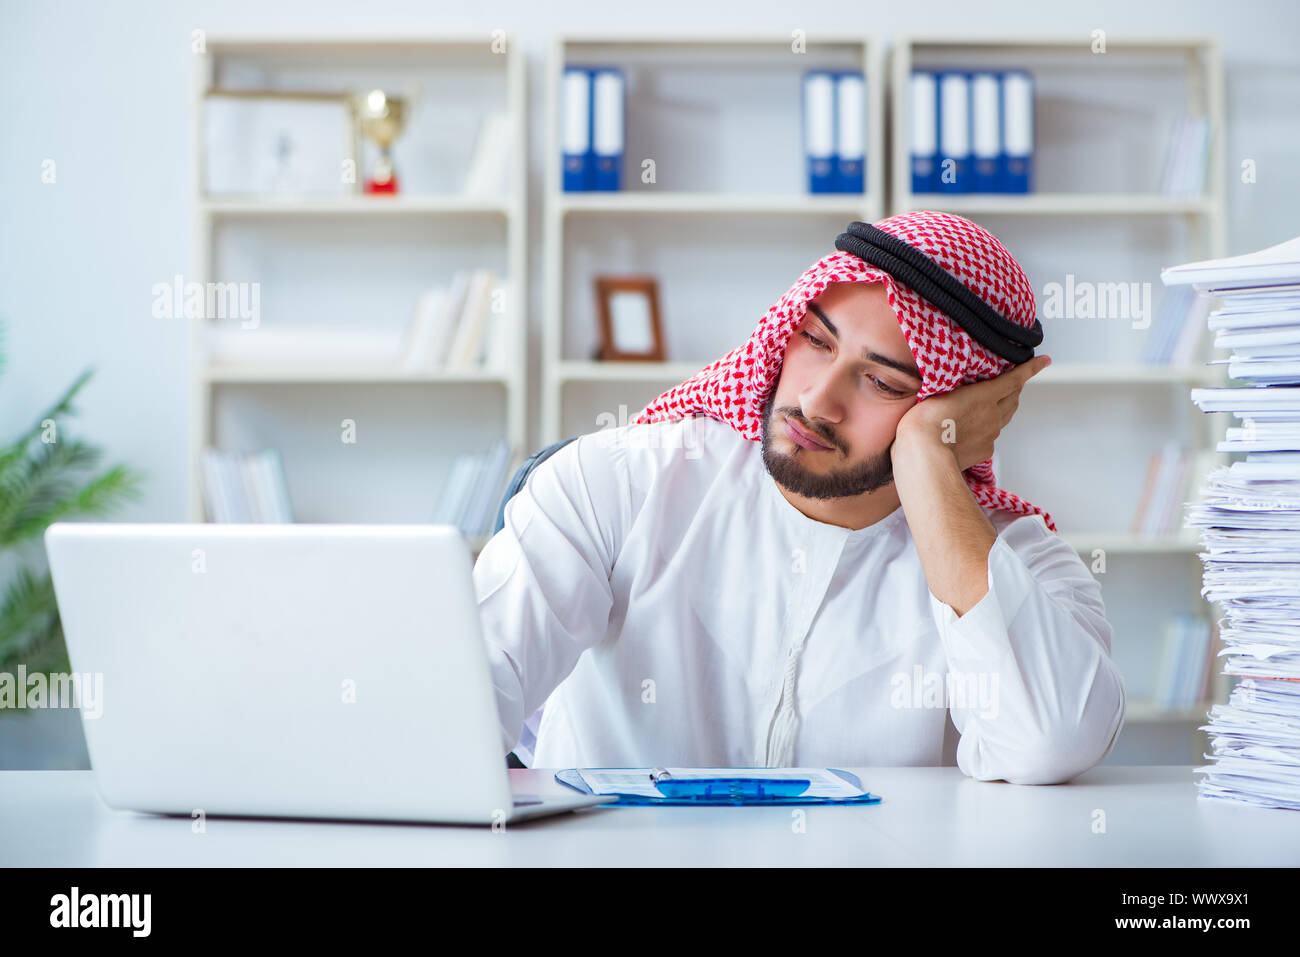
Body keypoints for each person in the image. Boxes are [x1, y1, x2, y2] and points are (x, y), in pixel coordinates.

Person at [473, 211, 1125, 785]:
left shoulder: (1016, 561)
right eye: (814, 341)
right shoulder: (616, 485)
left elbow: (1051, 737)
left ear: (972, 406)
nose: (816, 400)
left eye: (880, 381)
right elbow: (457, 701)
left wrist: (928, 456)